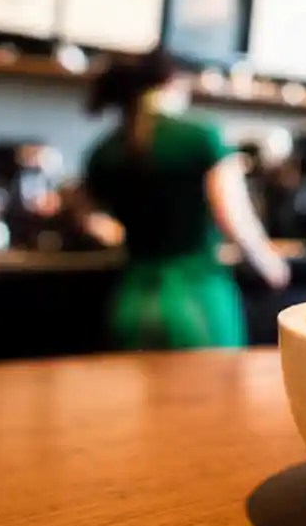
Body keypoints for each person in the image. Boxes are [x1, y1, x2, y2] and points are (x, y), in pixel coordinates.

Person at [80, 49, 290, 350]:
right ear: (172, 82)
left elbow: (91, 220)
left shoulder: (103, 152)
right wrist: (268, 263)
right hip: (197, 296)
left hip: (132, 298)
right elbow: (232, 215)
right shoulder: (202, 137)